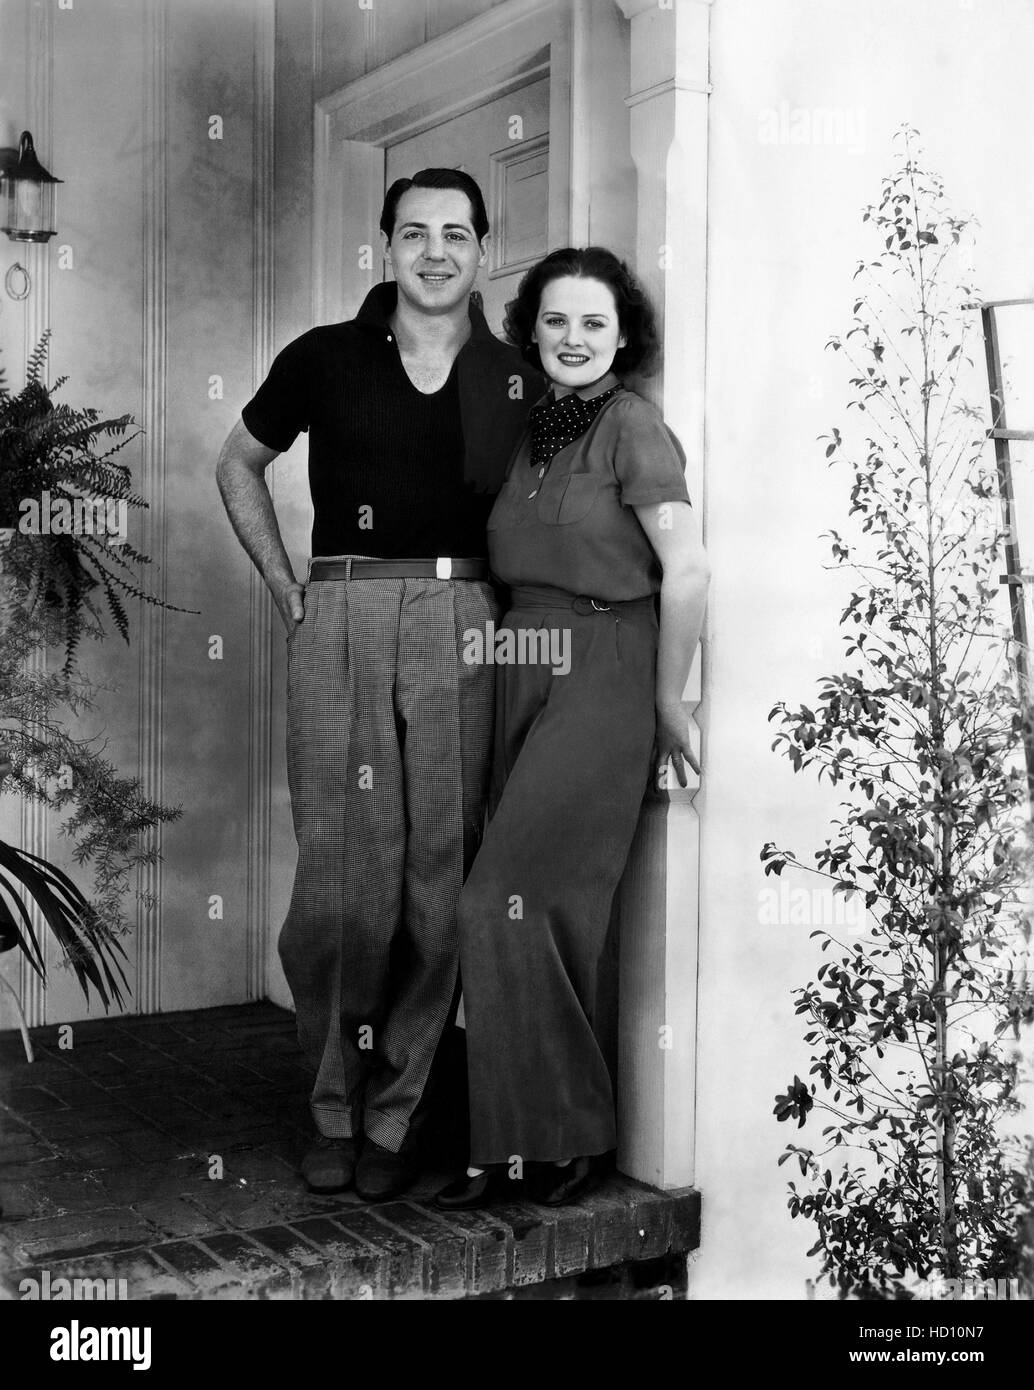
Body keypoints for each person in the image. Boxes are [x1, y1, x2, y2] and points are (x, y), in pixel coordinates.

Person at [216, 168, 541, 1201]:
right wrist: (281, 583)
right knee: (342, 895)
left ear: (483, 250)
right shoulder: (322, 357)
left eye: (455, 232)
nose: (434, 250)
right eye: (413, 232)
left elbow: (562, 507)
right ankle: (330, 1108)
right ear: (384, 248)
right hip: (343, 611)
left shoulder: (517, 377)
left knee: (441, 893)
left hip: (464, 622)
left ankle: (396, 1115)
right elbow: (236, 462)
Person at [435, 246, 710, 1210]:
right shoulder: (526, 431)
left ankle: (565, 1134)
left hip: (605, 668)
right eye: (556, 321)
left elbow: (690, 570)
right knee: (542, 915)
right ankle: (517, 1144)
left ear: (624, 334)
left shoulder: (635, 427)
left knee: (500, 899)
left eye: (594, 323)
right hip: (519, 662)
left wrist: (671, 699)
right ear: (532, 331)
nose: (574, 339)